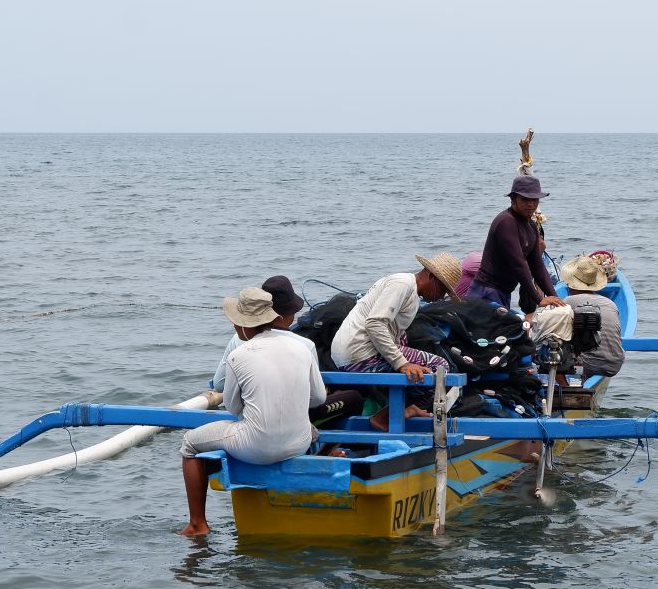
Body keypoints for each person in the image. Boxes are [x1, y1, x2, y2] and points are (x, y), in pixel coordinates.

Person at [180, 287, 327, 536]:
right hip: (300, 442)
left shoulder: (238, 356)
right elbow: (319, 398)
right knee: (308, 429)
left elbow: (234, 408)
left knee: (189, 445)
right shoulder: (303, 348)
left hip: (257, 447)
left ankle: (197, 524)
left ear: (244, 326)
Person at [330, 253, 462, 431]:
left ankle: (402, 409)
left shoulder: (411, 293)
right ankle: (385, 417)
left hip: (354, 353)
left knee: (418, 361)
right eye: (443, 290)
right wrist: (402, 363)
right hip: (359, 354)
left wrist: (407, 360)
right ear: (432, 276)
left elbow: (392, 333)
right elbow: (374, 323)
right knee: (439, 366)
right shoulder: (402, 284)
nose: (441, 297)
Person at [211, 276, 361, 428]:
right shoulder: (304, 345)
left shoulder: (238, 340)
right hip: (292, 422)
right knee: (354, 397)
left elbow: (219, 385)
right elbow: (316, 398)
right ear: (287, 316)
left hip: (249, 416)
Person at [466, 175, 567, 318]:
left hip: (504, 293)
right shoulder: (506, 222)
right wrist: (539, 299)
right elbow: (518, 264)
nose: (531, 204)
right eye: (525, 199)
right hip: (486, 291)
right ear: (513, 198)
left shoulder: (531, 226)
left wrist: (556, 298)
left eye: (534, 199)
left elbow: (538, 267)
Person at [558, 256, 625, 379]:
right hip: (614, 364)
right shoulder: (610, 303)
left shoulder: (569, 301)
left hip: (588, 365)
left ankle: (564, 388)